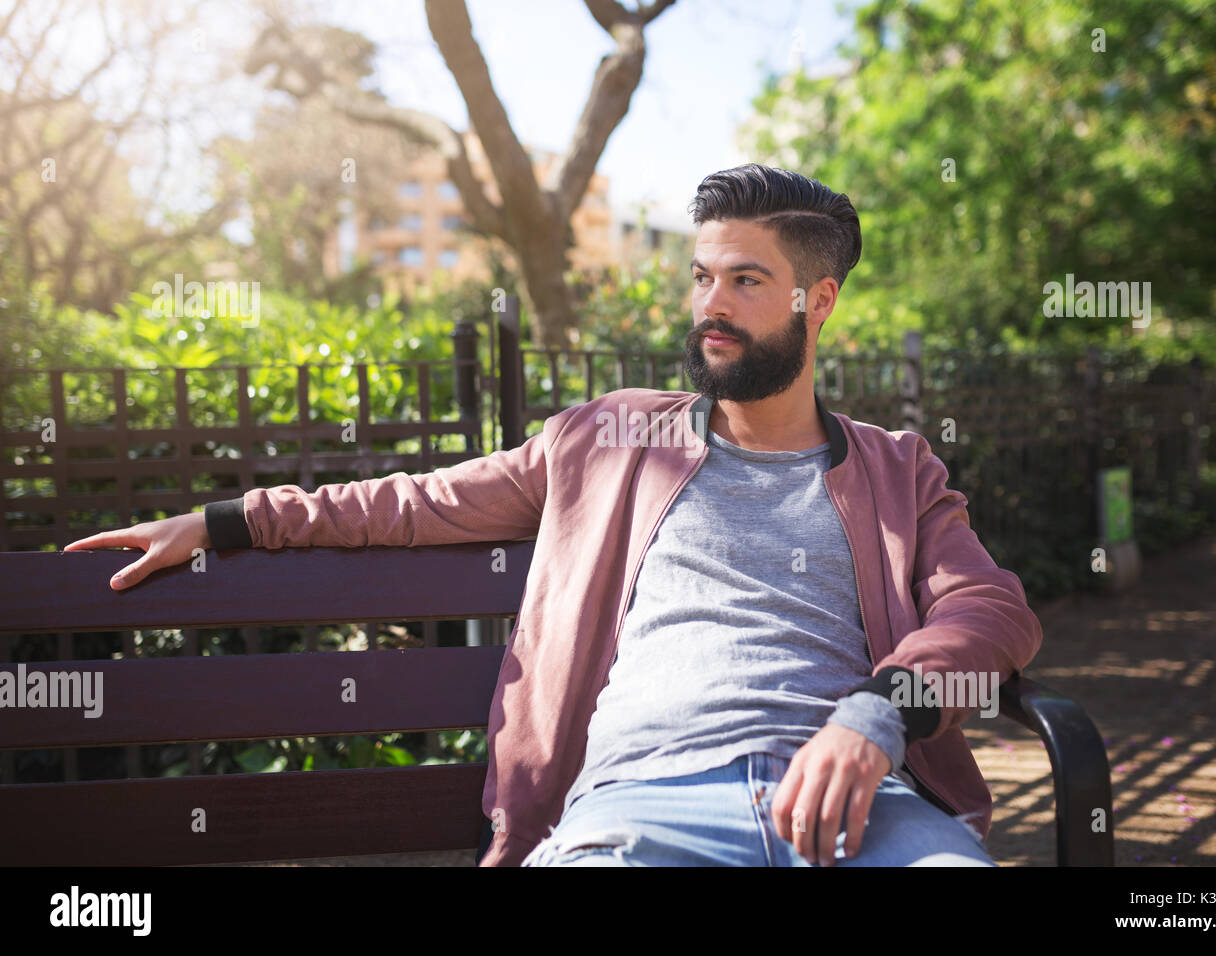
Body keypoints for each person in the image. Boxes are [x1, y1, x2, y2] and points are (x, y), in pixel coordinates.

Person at [65, 164, 1043, 868]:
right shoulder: (607, 438)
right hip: (647, 808)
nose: (711, 303)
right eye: (702, 274)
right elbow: (416, 500)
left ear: (815, 299)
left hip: (862, 811)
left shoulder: (895, 465)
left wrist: (877, 716)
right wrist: (226, 520)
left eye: (745, 280)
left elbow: (988, 615)